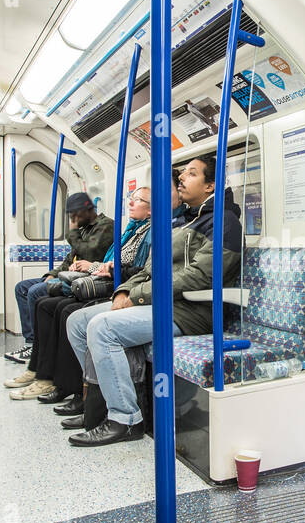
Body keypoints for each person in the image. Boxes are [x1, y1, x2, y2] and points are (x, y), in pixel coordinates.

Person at [65, 156, 241, 447]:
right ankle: (97, 406)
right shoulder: (184, 220)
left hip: (191, 311)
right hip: (161, 303)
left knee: (102, 328)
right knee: (77, 321)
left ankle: (125, 419)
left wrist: (138, 296)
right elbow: (149, 269)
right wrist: (123, 291)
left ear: (210, 185)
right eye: (183, 172)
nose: (182, 178)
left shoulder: (225, 223)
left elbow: (199, 277)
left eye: (192, 173)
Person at [15, 186, 156, 410]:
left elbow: (121, 265)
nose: (130, 203)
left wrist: (97, 265)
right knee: (45, 302)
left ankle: (72, 387)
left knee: (62, 309)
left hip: (114, 284)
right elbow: (77, 257)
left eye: (136, 200)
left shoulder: (113, 228)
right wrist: (53, 274)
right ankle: (47, 373)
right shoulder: (130, 229)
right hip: (101, 278)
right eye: (131, 198)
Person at [5, 192, 114, 365]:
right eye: (71, 217)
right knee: (22, 288)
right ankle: (31, 341)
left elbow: (89, 252)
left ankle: (38, 347)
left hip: (88, 278)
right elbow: (69, 260)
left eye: (76, 216)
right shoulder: (83, 230)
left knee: (35, 292)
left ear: (88, 210)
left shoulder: (106, 226)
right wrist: (52, 274)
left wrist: (72, 232)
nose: (73, 220)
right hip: (69, 274)